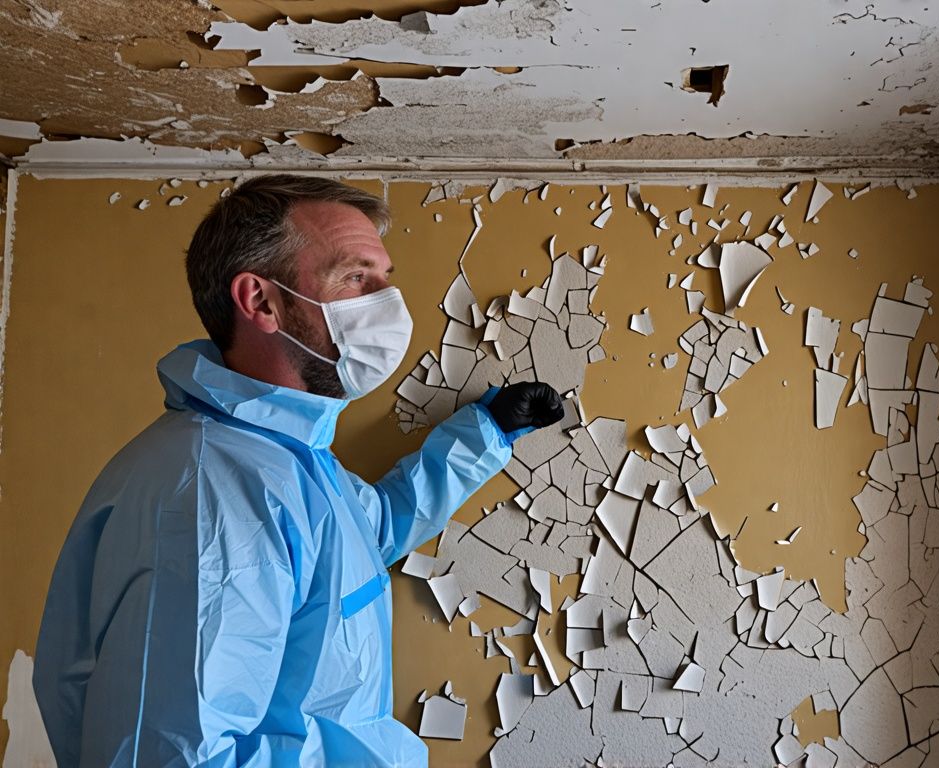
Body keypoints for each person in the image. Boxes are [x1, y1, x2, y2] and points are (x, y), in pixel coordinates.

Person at [32, 175, 564, 767]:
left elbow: (370, 530)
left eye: (385, 280)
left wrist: (484, 434)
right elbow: (175, 754)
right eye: (355, 278)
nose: (387, 304)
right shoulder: (215, 493)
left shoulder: (284, 458)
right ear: (261, 301)